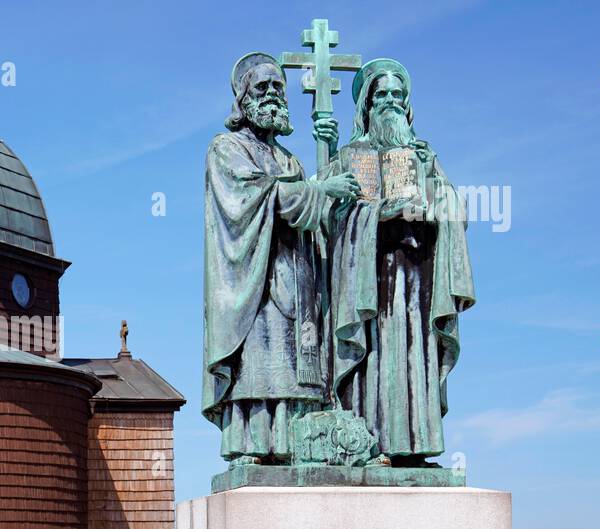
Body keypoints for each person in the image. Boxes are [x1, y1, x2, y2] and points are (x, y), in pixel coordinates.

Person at [202, 52, 359, 464]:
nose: (272, 94)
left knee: (293, 364)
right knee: (259, 360)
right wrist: (319, 191)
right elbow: (261, 196)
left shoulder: (291, 160)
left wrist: (330, 156)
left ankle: (293, 446)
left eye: (278, 88)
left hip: (297, 279)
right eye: (262, 87)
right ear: (242, 99)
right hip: (254, 277)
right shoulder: (226, 149)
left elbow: (314, 217)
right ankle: (251, 446)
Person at [319, 58, 474, 464]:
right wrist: (379, 213)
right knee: (376, 359)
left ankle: (415, 448)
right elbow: (330, 222)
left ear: (407, 105)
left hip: (419, 276)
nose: (390, 102)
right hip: (371, 279)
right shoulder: (352, 156)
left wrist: (437, 193)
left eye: (397, 95)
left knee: (415, 357)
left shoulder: (425, 158)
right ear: (366, 106)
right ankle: (372, 446)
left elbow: (457, 209)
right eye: (381, 95)